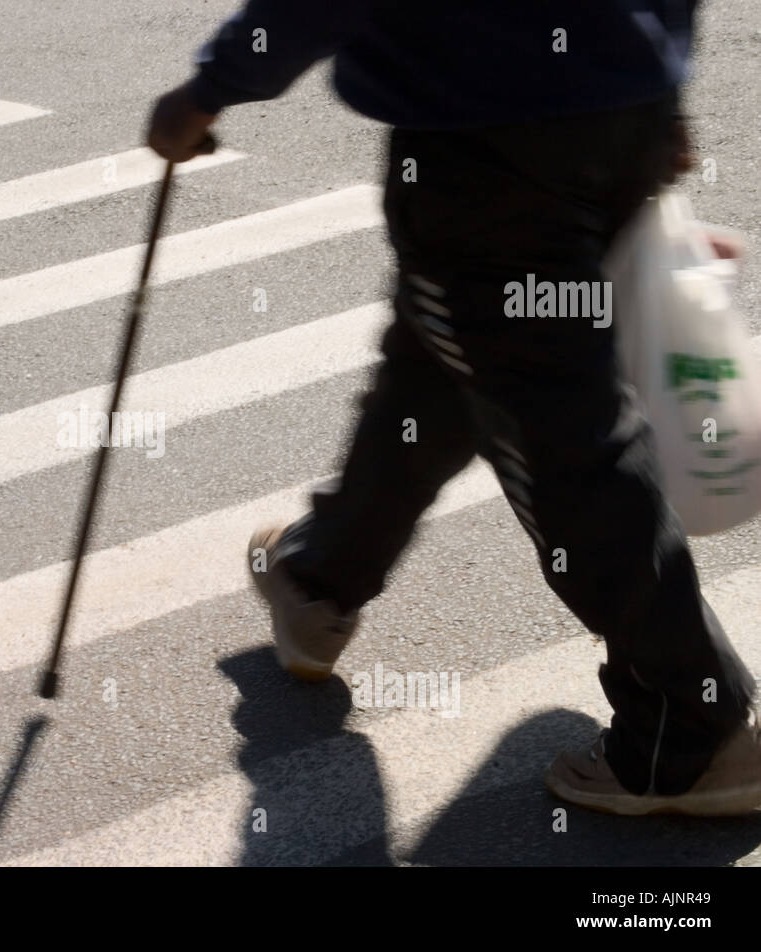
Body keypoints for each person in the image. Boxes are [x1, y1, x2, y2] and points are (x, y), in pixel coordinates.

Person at [146, 0, 761, 815]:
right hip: (616, 112)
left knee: (562, 438)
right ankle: (321, 577)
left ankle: (694, 730)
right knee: (441, 360)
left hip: (490, 150)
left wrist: (208, 90)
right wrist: (659, 71)